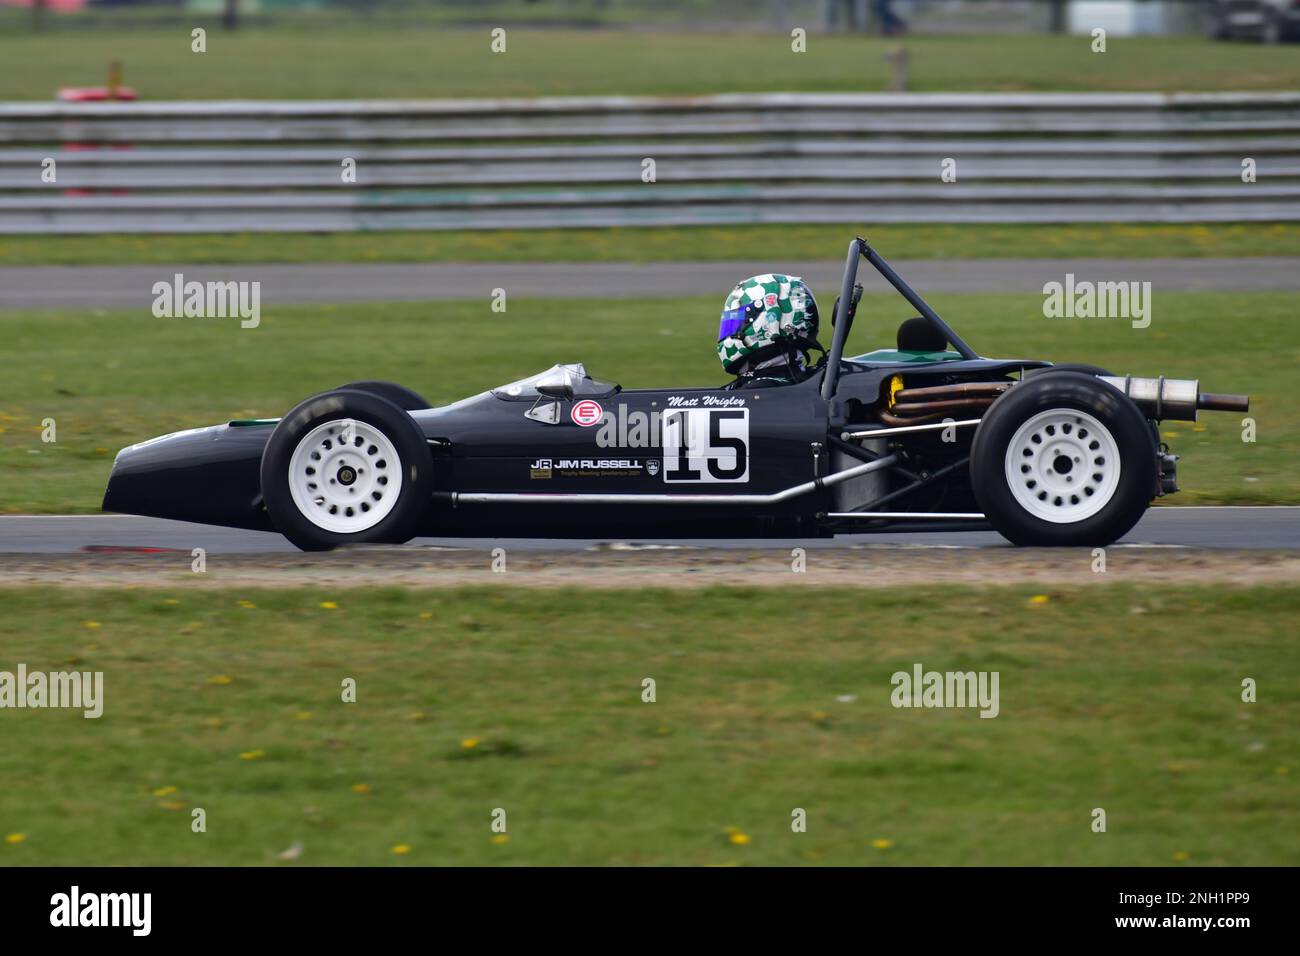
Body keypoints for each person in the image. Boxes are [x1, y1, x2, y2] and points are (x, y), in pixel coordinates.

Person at [716, 274, 822, 388]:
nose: (730, 329)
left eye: (736, 321)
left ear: (768, 322)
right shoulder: (818, 380)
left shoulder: (757, 390)